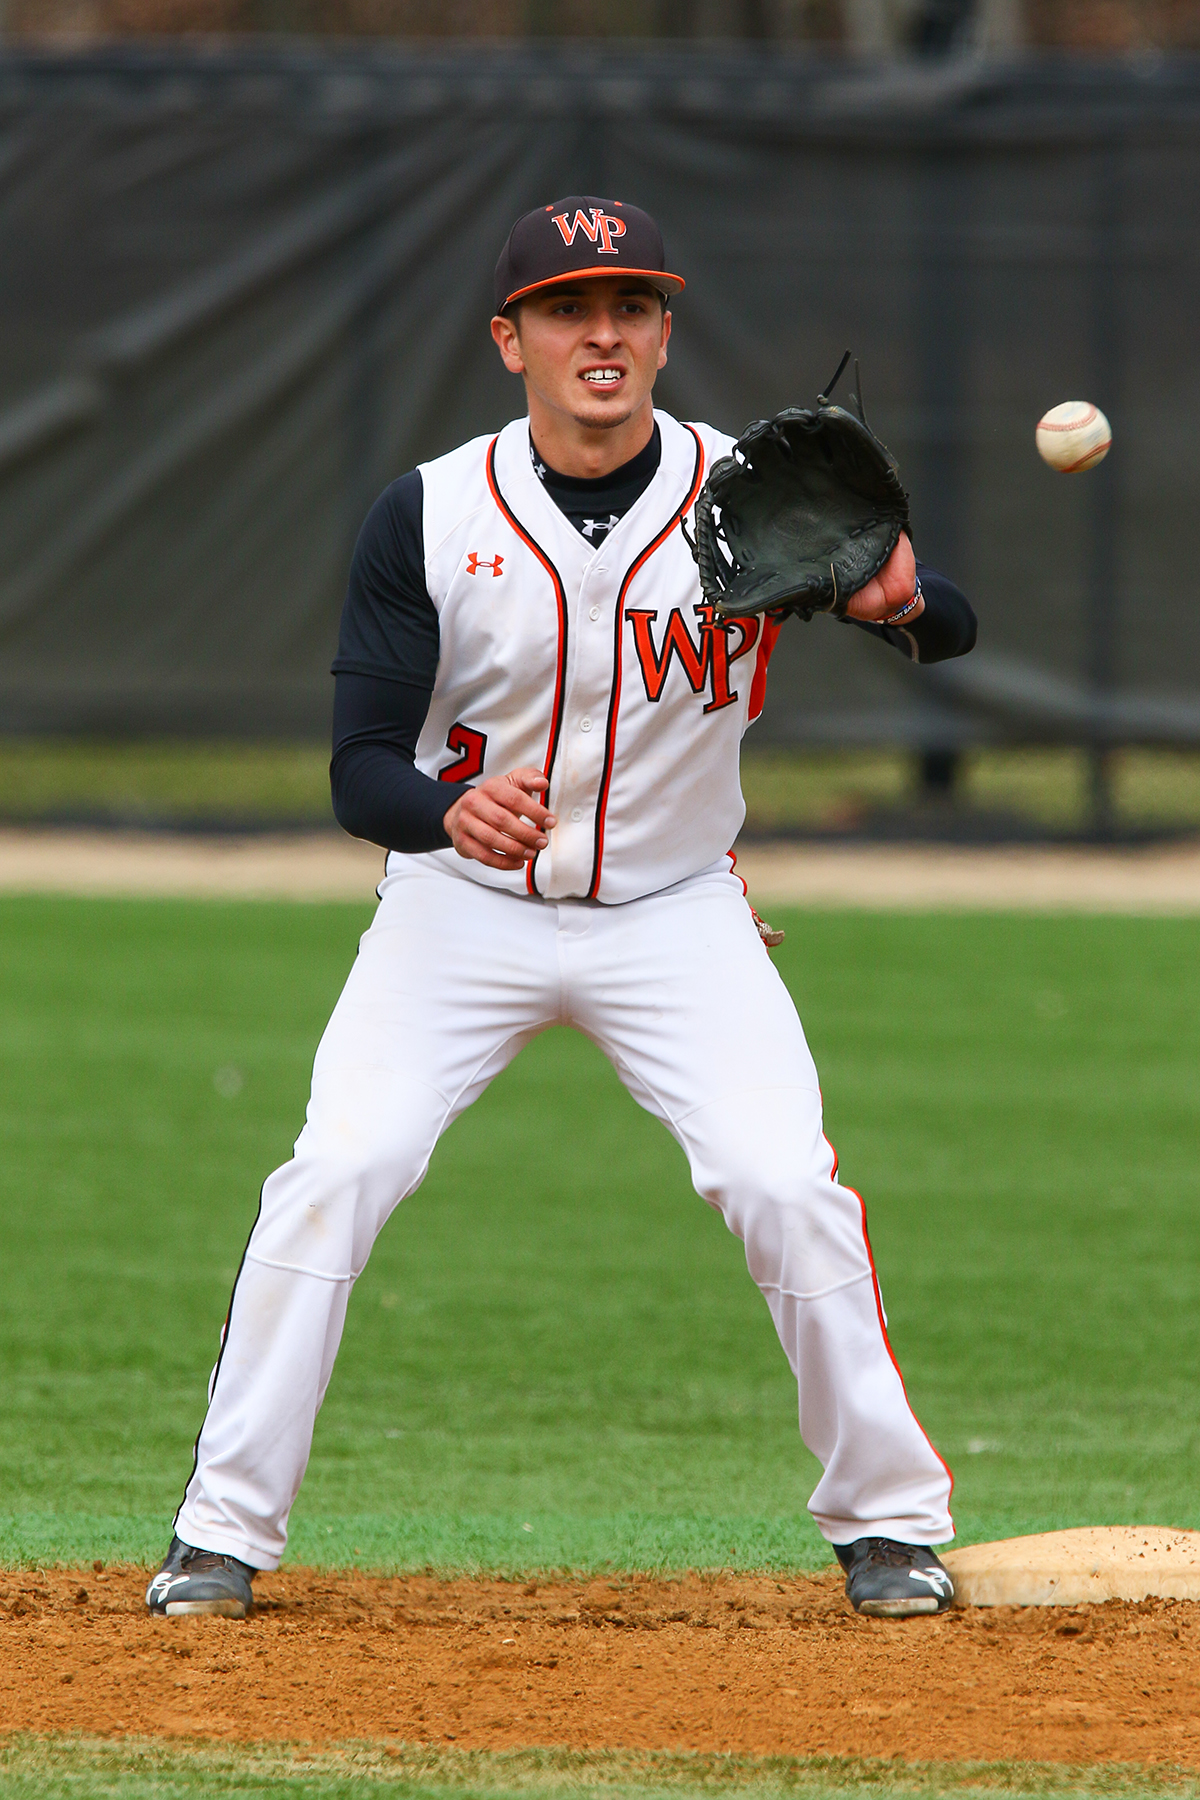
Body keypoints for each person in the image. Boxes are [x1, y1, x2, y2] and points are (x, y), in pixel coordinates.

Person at [146, 197, 976, 1623]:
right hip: (457, 912)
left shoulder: (745, 490)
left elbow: (941, 617)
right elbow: (359, 768)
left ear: (663, 332)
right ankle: (219, 1534)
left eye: (633, 307)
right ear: (510, 339)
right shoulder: (429, 512)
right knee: (341, 1165)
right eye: (570, 310)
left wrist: (898, 603)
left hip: (675, 913)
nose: (605, 333)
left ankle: (889, 1527)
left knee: (783, 1181)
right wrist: (442, 809)